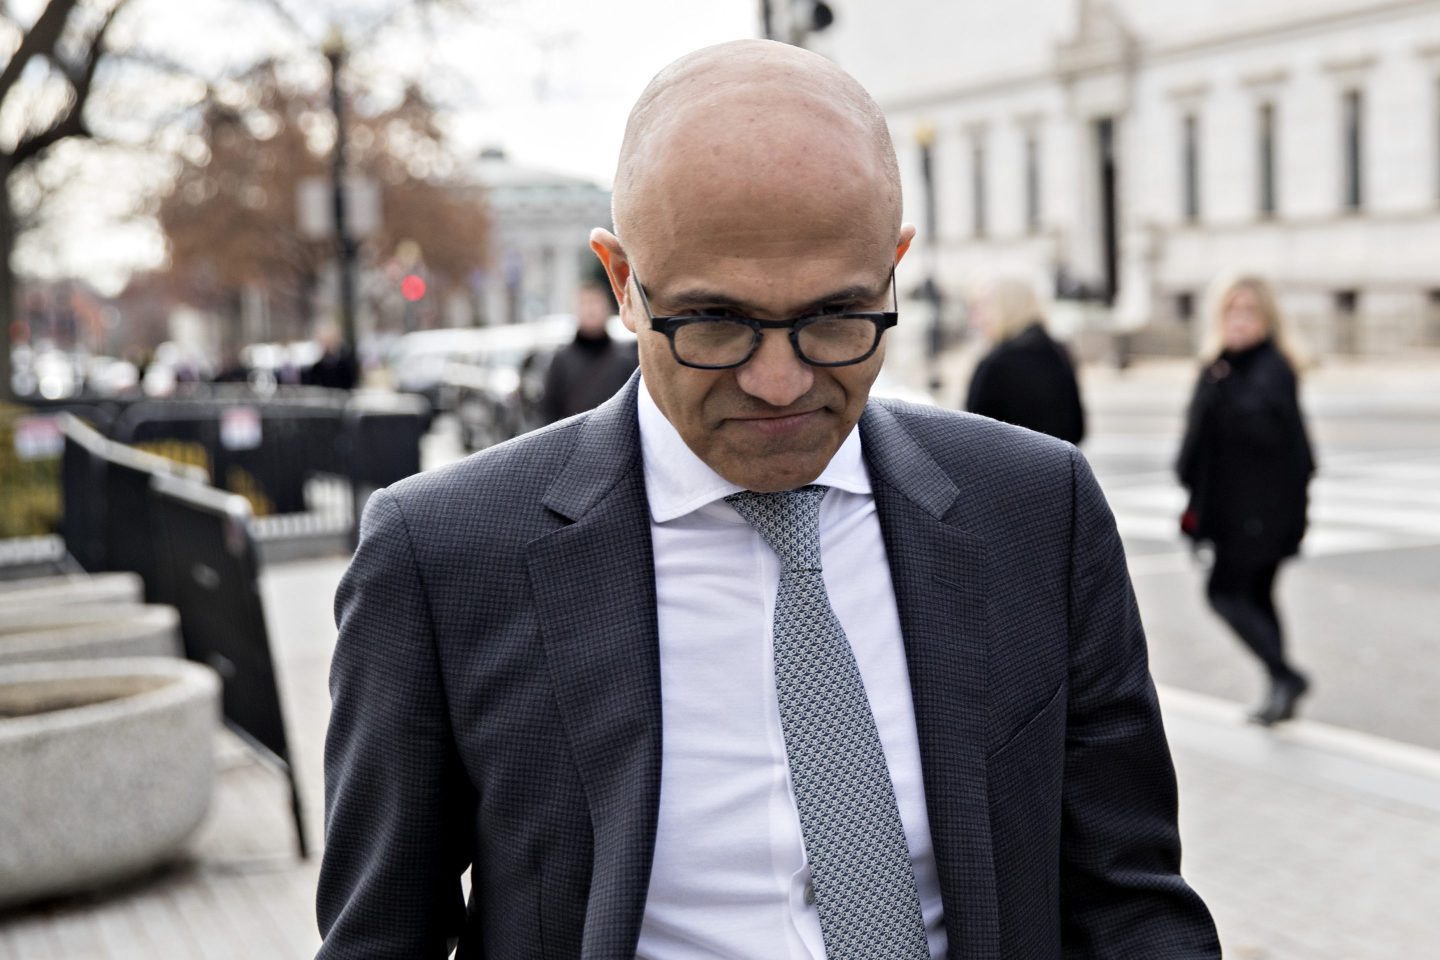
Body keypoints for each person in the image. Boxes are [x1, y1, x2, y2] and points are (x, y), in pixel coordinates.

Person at [318, 40, 1218, 959]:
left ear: (894, 268)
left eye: (836, 318)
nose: (782, 384)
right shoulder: (442, 558)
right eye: (717, 322)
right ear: (623, 284)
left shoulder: (1036, 511)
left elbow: (1131, 907)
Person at [1177, 274, 1315, 726]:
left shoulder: (1271, 368)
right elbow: (1198, 438)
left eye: (1249, 311)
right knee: (1256, 594)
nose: (1239, 320)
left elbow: (1270, 437)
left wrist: (1224, 386)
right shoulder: (1219, 365)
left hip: (1261, 510)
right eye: (1231, 310)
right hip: (1228, 505)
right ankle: (1279, 687)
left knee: (1225, 592)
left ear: (1267, 317)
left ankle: (1284, 675)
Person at [964, 277, 1085, 444]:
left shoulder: (996, 364)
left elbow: (973, 434)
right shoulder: (1058, 351)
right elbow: (1076, 429)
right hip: (1058, 465)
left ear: (1006, 307)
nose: (976, 319)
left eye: (982, 306)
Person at [540, 275, 640, 424]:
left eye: (595, 303)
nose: (590, 309)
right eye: (585, 303)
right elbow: (549, 411)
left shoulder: (625, 358)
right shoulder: (561, 360)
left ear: (607, 307)